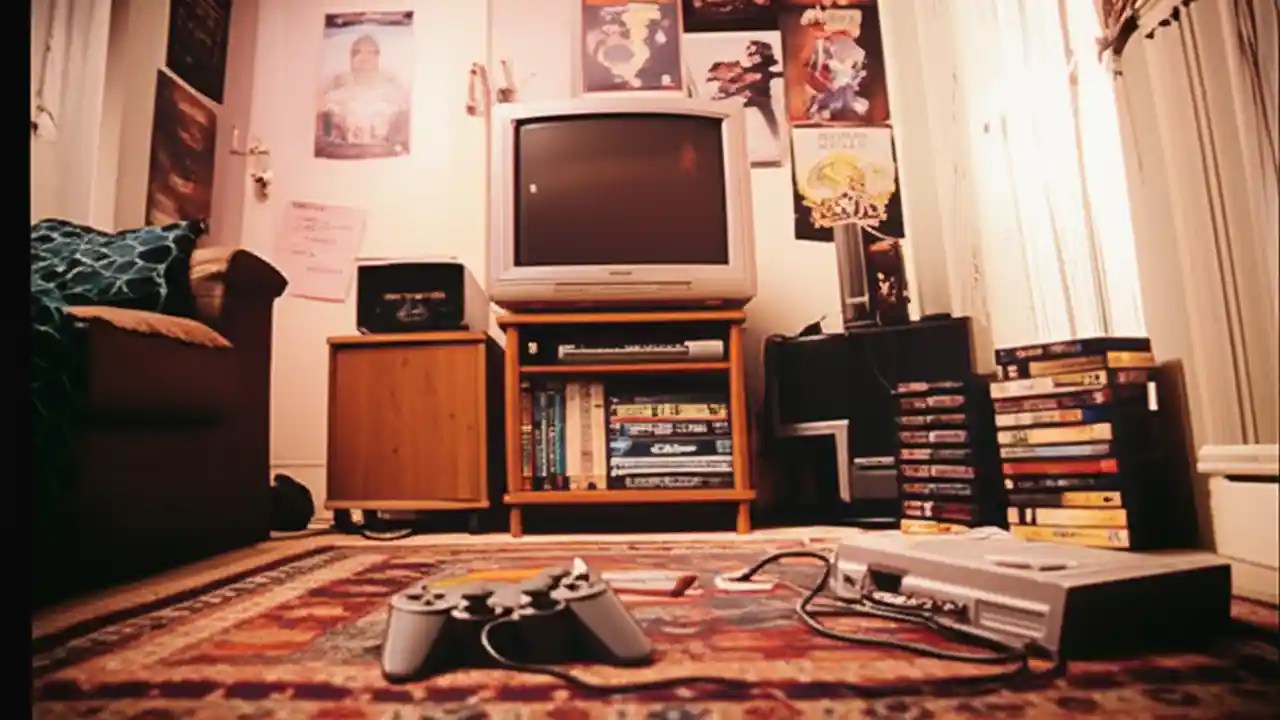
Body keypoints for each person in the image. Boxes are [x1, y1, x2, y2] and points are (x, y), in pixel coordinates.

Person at [317, 34, 410, 152]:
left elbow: (404, 139)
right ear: (351, 60)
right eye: (357, 53)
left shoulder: (395, 95)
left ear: (377, 59)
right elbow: (326, 137)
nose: (363, 60)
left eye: (370, 53)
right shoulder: (334, 97)